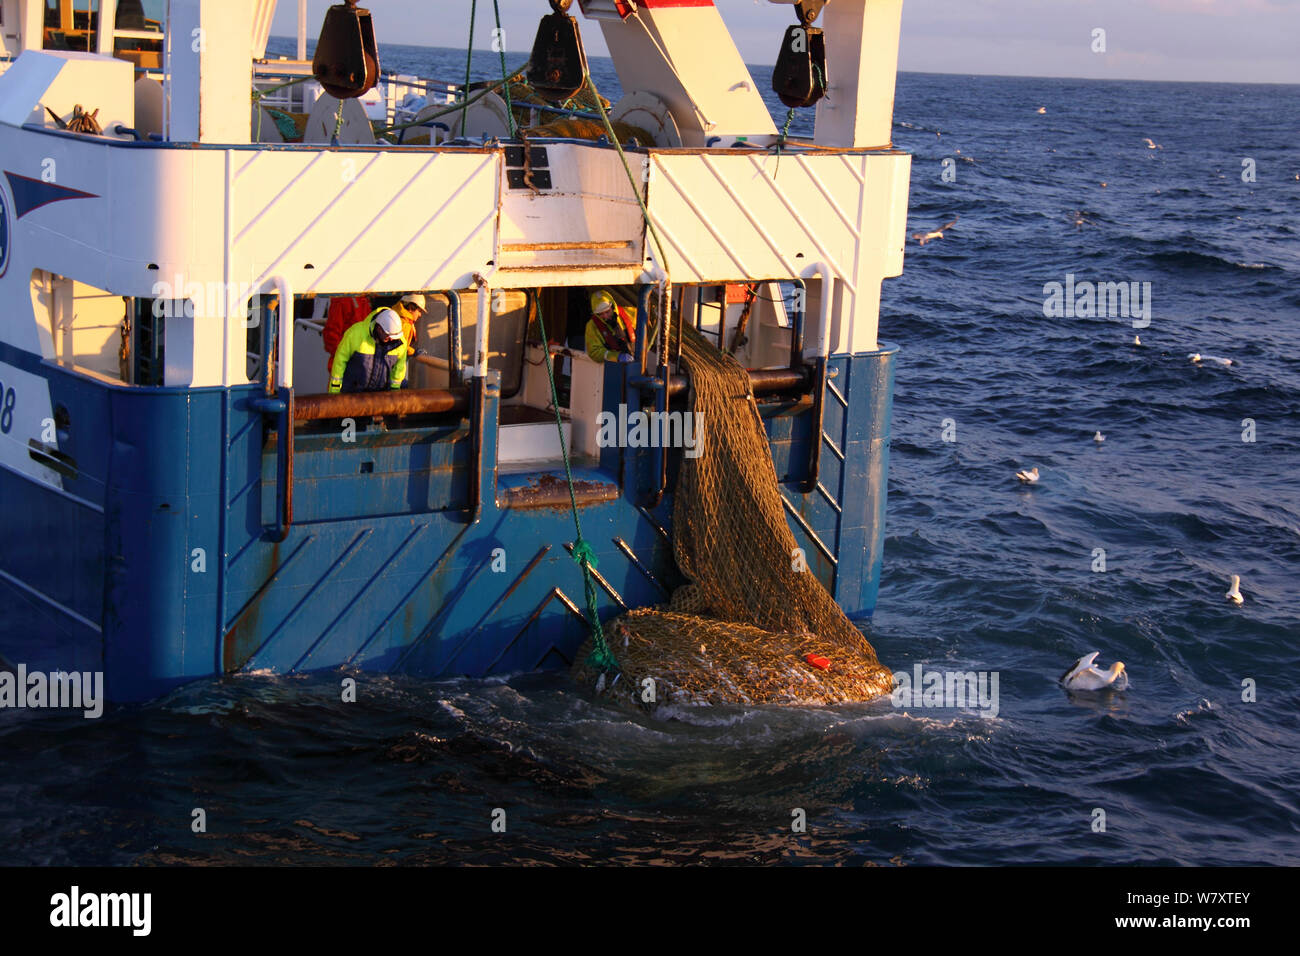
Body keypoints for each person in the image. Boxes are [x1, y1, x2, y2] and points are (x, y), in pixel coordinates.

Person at [329, 308, 407, 393]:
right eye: (388, 336)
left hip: (380, 398)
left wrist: (394, 392)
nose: (392, 340)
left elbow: (399, 369)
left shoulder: (400, 342)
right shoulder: (355, 333)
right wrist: (335, 392)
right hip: (352, 395)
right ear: (379, 328)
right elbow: (339, 362)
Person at [584, 289, 637, 362]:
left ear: (613, 307)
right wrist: (616, 357)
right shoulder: (592, 326)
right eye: (601, 314)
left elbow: (648, 325)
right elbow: (594, 352)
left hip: (637, 360)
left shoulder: (629, 313)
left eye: (607, 312)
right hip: (613, 366)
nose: (605, 316)